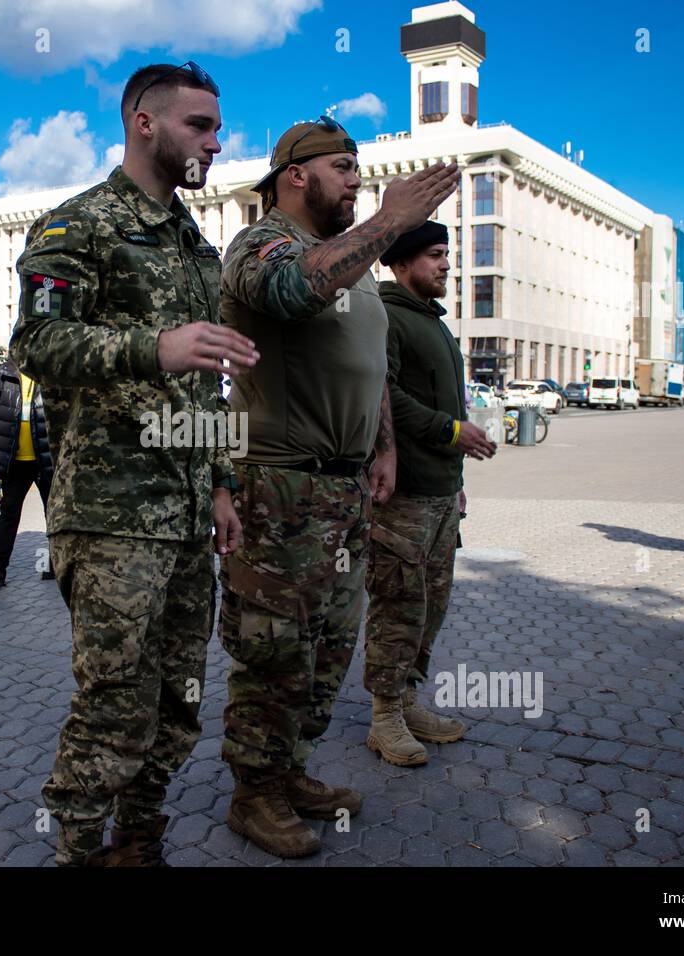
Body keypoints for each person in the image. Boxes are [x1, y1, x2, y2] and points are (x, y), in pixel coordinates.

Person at [9, 61, 259, 866]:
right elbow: (37, 346)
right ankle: (78, 851)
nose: (215, 143)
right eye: (200, 126)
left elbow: (210, 383)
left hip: (186, 517)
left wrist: (220, 483)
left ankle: (139, 843)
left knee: (177, 702)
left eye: (219, 128)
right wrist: (153, 347)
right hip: (113, 515)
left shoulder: (194, 243)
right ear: (144, 123)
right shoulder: (74, 227)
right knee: (113, 705)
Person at [216, 118, 459, 858]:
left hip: (345, 491)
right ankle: (253, 795)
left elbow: (370, 366)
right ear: (296, 175)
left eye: (360, 171)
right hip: (279, 490)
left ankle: (290, 773)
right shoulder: (261, 247)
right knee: (275, 651)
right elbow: (294, 292)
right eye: (345, 168)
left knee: (327, 651)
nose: (358, 181)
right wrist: (391, 221)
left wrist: (382, 447)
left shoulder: (353, 265)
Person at [362, 222, 496, 768]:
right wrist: (450, 431)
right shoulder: (386, 314)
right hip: (405, 497)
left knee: (432, 605)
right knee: (399, 604)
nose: (446, 265)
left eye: (448, 255)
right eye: (436, 256)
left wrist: (457, 485)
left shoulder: (433, 322)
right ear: (402, 262)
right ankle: (384, 716)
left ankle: (409, 699)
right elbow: (382, 392)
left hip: (442, 495)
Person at [0, 359, 55, 588]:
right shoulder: (5, 372)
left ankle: (53, 565)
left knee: (53, 514)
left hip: (46, 459)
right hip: (15, 459)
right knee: (9, 514)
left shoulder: (49, 367)